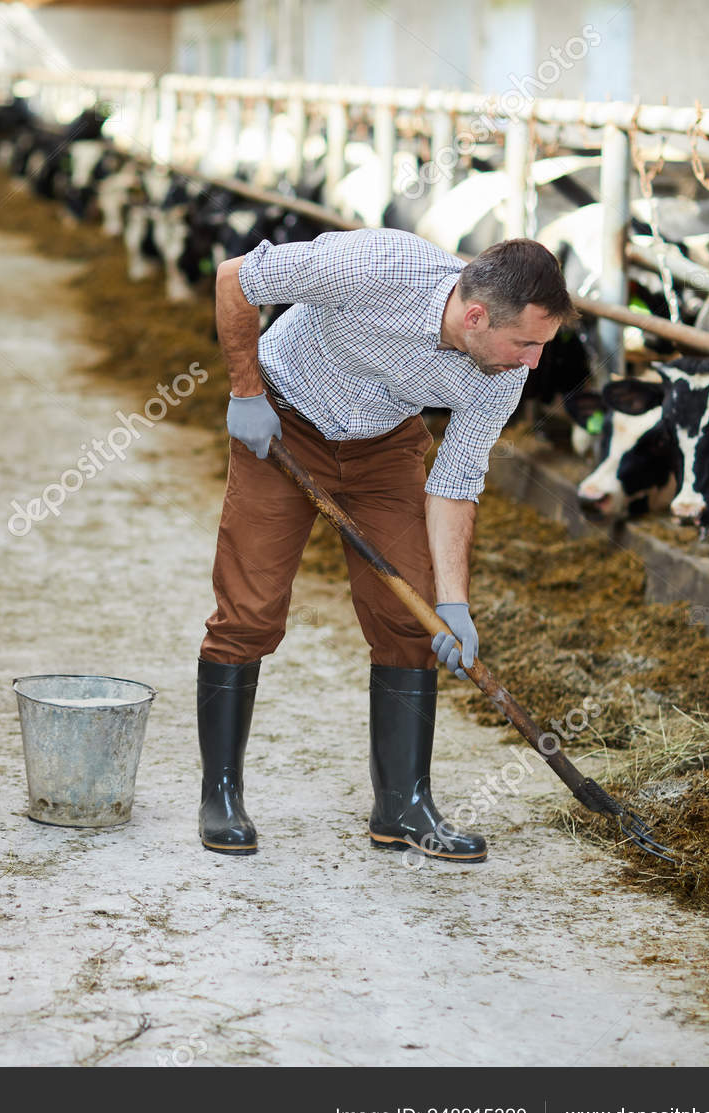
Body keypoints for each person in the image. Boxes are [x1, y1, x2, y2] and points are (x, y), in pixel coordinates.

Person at [198, 228, 575, 863]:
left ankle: (402, 805)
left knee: (410, 620)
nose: (533, 361)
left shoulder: (500, 374)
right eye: (527, 343)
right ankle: (222, 794)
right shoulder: (378, 264)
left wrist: (453, 605)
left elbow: (455, 482)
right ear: (476, 316)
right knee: (250, 611)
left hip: (384, 447)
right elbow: (235, 277)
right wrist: (245, 391)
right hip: (282, 423)